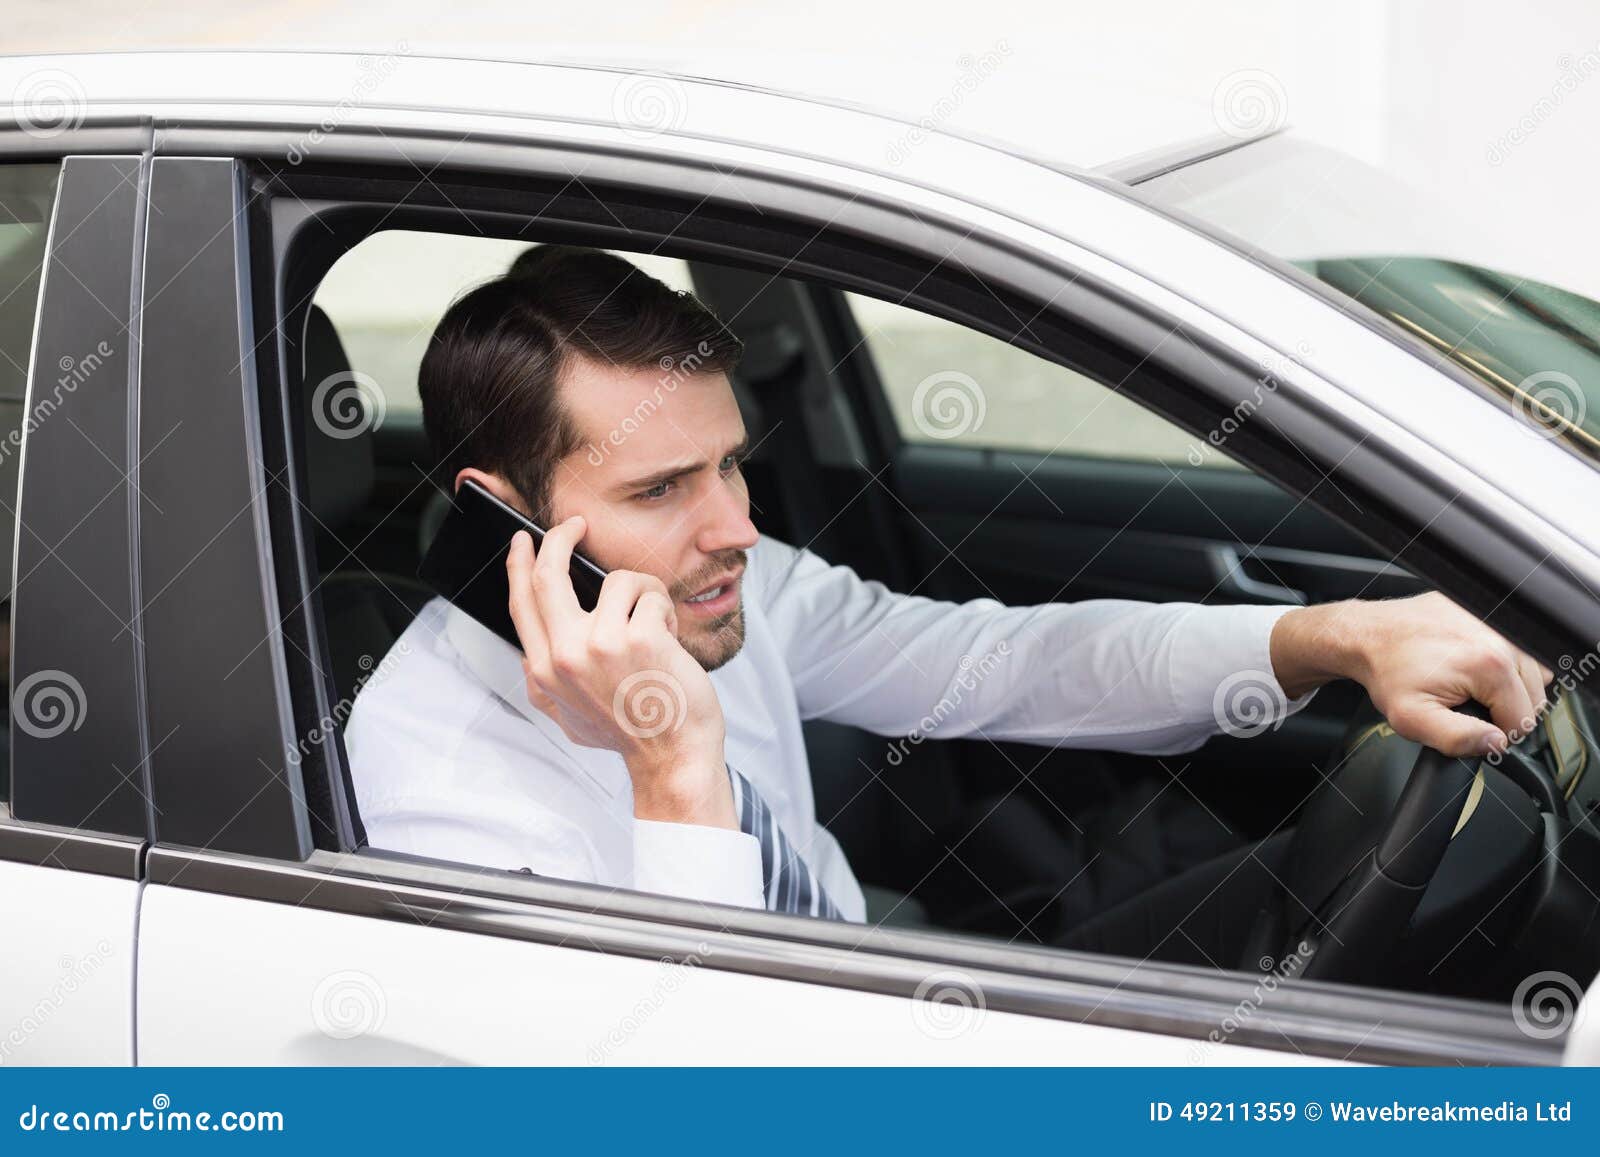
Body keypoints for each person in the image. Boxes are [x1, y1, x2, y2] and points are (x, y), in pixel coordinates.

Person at [344, 245, 1552, 961]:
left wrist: (1337, 634)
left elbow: (1012, 661)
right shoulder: (430, 786)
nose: (737, 526)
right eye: (662, 486)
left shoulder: (711, 594)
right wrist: (673, 771)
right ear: (504, 512)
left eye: (731, 462)